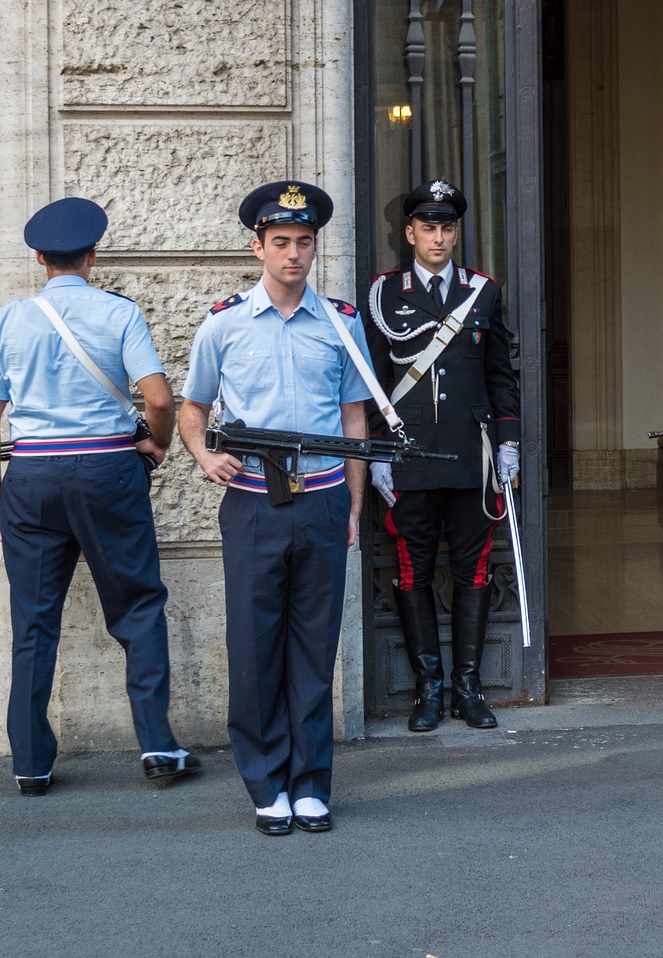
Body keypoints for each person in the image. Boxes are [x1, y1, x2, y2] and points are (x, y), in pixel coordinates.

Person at [0, 197, 195, 796]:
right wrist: (158, 445)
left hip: (34, 480)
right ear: (92, 255)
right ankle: (157, 748)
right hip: (108, 471)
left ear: (39, 258)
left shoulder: (7, 322)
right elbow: (160, 398)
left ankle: (32, 765)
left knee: (35, 623)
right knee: (139, 608)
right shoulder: (120, 314)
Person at [178, 181, 371, 836]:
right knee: (255, 647)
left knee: (315, 649)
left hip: (320, 501)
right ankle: (267, 782)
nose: (294, 253)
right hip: (255, 506)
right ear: (257, 245)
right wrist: (207, 457)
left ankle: (312, 782)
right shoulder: (224, 322)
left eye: (305, 241)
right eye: (281, 242)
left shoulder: (342, 324)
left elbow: (353, 418)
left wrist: (353, 504)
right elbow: (192, 407)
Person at [363, 179, 522, 733]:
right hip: (408, 456)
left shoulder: (483, 291)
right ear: (409, 233)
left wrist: (508, 444)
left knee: (473, 568)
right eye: (428, 227)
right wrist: (378, 451)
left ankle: (468, 687)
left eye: (447, 227)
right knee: (413, 570)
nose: (438, 236)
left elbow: (501, 374)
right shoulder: (384, 293)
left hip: (470, 457)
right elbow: (374, 381)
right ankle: (428, 688)